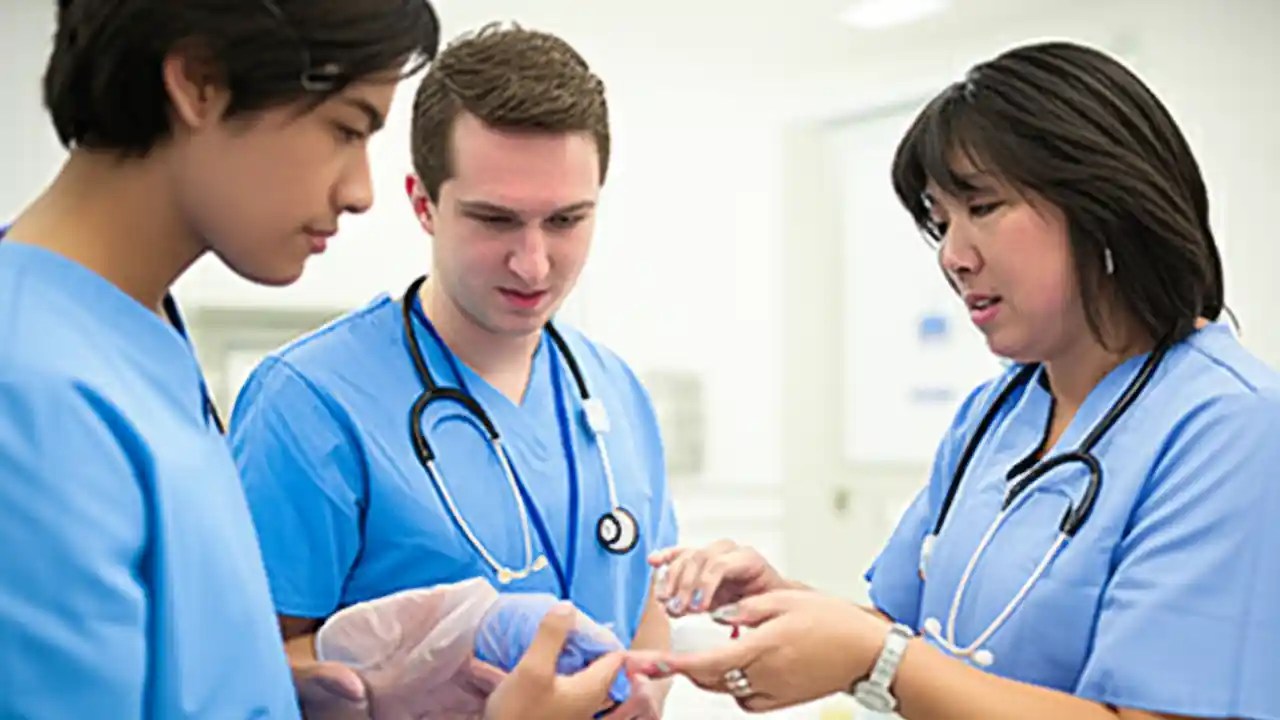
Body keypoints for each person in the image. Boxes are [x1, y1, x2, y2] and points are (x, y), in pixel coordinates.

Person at [637, 41, 1280, 720]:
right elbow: (917, 639)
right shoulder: (997, 411)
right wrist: (782, 605)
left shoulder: (1231, 428)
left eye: (983, 208)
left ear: (1105, 203)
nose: (953, 256)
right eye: (940, 222)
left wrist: (873, 653)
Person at [228, 22, 679, 718]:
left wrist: (647, 686)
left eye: (565, 221)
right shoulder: (310, 404)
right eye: (495, 220)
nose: (533, 263)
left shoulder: (613, 389)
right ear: (423, 204)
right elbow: (247, 665)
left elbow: (644, 596)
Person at [0, 0, 437, 716]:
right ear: (200, 83)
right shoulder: (30, 391)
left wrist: (264, 690)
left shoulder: (132, 331)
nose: (358, 192)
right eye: (345, 129)